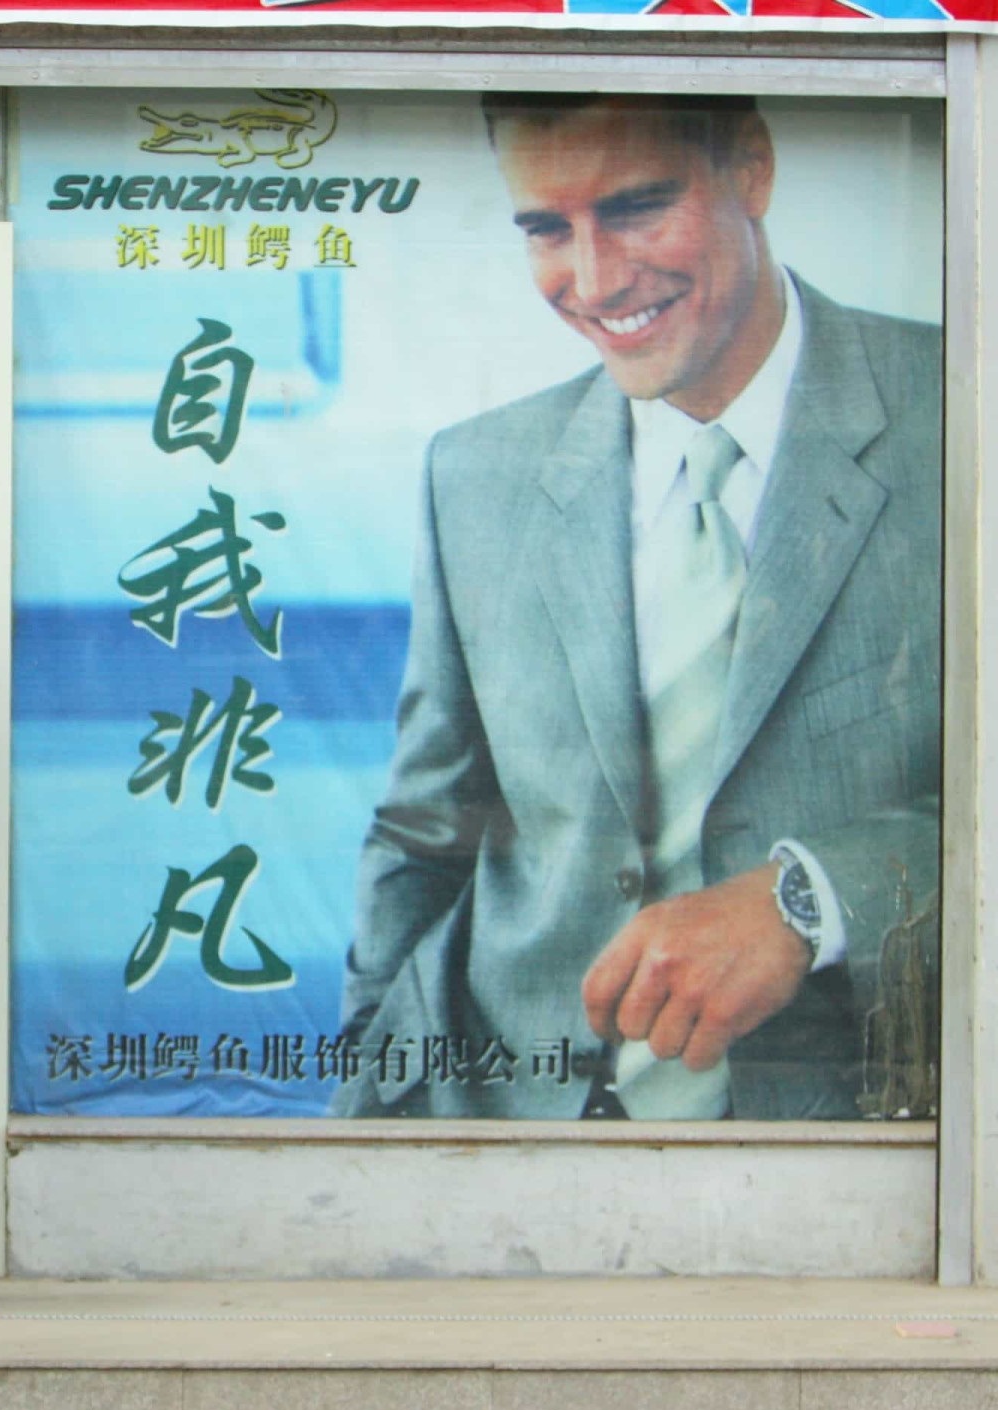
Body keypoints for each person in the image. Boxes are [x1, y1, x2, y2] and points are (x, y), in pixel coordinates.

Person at [333, 94, 941, 1121]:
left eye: (638, 208)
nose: (598, 278)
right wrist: (362, 1104)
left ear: (752, 168)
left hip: (848, 1143)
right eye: (546, 228)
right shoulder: (475, 474)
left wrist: (812, 899)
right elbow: (424, 828)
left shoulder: (961, 412)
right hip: (503, 1127)